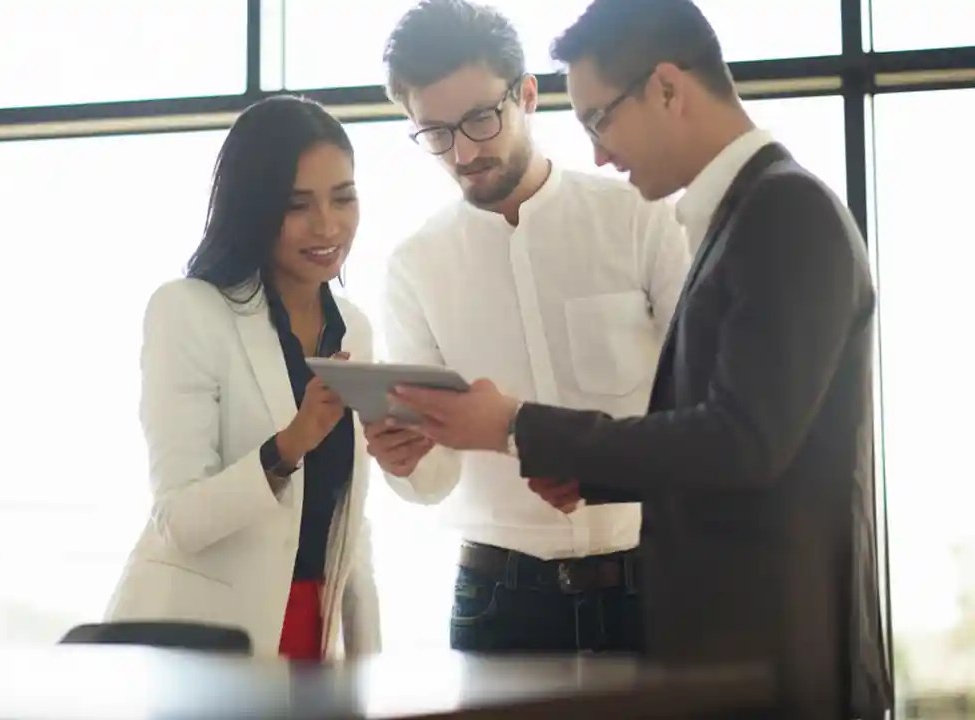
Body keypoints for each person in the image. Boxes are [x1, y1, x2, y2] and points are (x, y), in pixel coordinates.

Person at [387, 0, 892, 716]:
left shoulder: (782, 213)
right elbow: (727, 432)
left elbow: (741, 440)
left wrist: (520, 426)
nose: (597, 151)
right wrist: (590, 471)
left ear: (666, 88)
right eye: (436, 133)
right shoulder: (748, 215)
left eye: (600, 119)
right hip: (729, 636)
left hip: (776, 644)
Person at [367, 0, 690, 654]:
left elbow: (704, 404)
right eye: (434, 132)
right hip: (498, 604)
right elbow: (431, 483)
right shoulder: (415, 267)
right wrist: (404, 460)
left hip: (653, 585)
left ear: (529, 95)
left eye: (481, 119)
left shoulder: (639, 215)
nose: (463, 152)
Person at [103, 95, 381, 662]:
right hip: (198, 643)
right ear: (254, 208)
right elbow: (179, 519)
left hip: (312, 634)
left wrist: (366, 661)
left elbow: (349, 521)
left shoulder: (353, 328)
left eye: (343, 197)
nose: (327, 224)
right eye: (297, 204)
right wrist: (290, 445)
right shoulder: (188, 310)